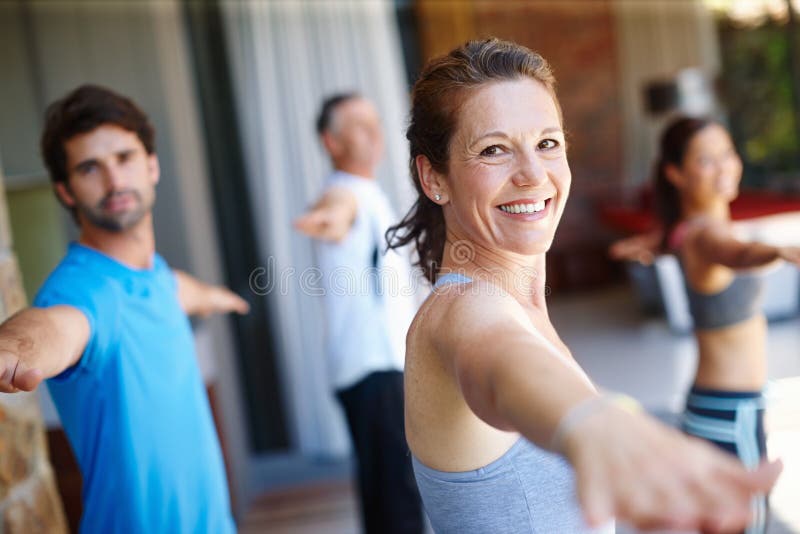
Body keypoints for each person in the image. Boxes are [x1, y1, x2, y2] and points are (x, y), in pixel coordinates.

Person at [386, 38, 783, 534]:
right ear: (433, 177)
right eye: (494, 150)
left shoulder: (518, 309)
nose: (532, 175)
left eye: (547, 143)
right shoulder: (462, 311)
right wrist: (592, 421)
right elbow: (501, 365)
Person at [0, 84, 249, 532]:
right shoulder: (80, 293)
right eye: (90, 168)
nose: (115, 182)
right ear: (66, 191)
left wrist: (218, 297)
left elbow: (179, 290)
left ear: (151, 165)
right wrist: (14, 346)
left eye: (124, 158)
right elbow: (52, 327)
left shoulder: (156, 276)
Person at [614, 116, 800, 534]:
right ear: (676, 173)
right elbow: (735, 251)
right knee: (746, 526)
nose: (725, 167)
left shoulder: (682, 229)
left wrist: (643, 245)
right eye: (706, 160)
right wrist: (779, 250)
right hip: (730, 414)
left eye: (727, 154)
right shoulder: (705, 236)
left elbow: (677, 239)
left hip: (718, 408)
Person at [294, 93, 424, 534]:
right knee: (398, 496)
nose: (373, 133)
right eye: (357, 125)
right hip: (373, 370)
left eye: (375, 122)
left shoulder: (370, 192)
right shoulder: (343, 192)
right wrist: (326, 219)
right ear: (330, 141)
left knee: (386, 493)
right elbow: (334, 210)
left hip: (380, 369)